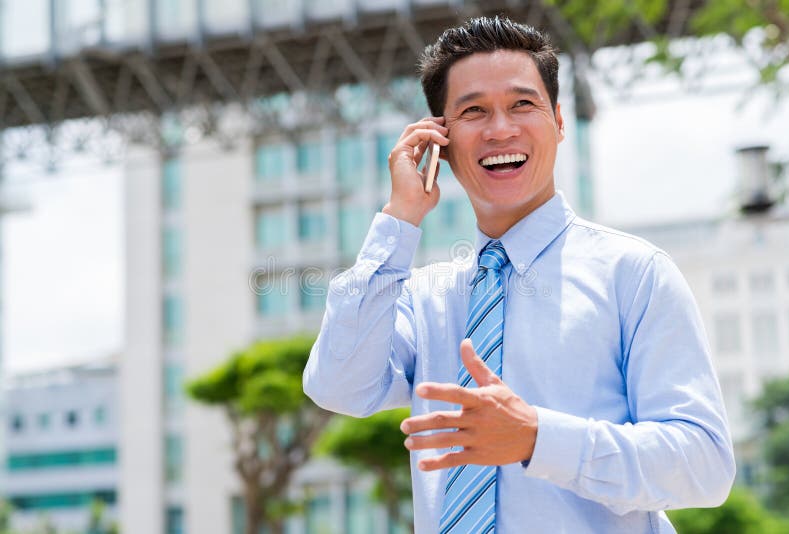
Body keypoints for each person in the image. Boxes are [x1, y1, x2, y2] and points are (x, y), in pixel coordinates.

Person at [303, 16, 735, 533]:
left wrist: (538, 439)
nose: (500, 129)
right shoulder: (426, 297)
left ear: (557, 121)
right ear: (439, 138)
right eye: (473, 111)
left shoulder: (635, 275)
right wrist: (399, 218)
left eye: (522, 104)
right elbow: (338, 386)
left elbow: (705, 466)